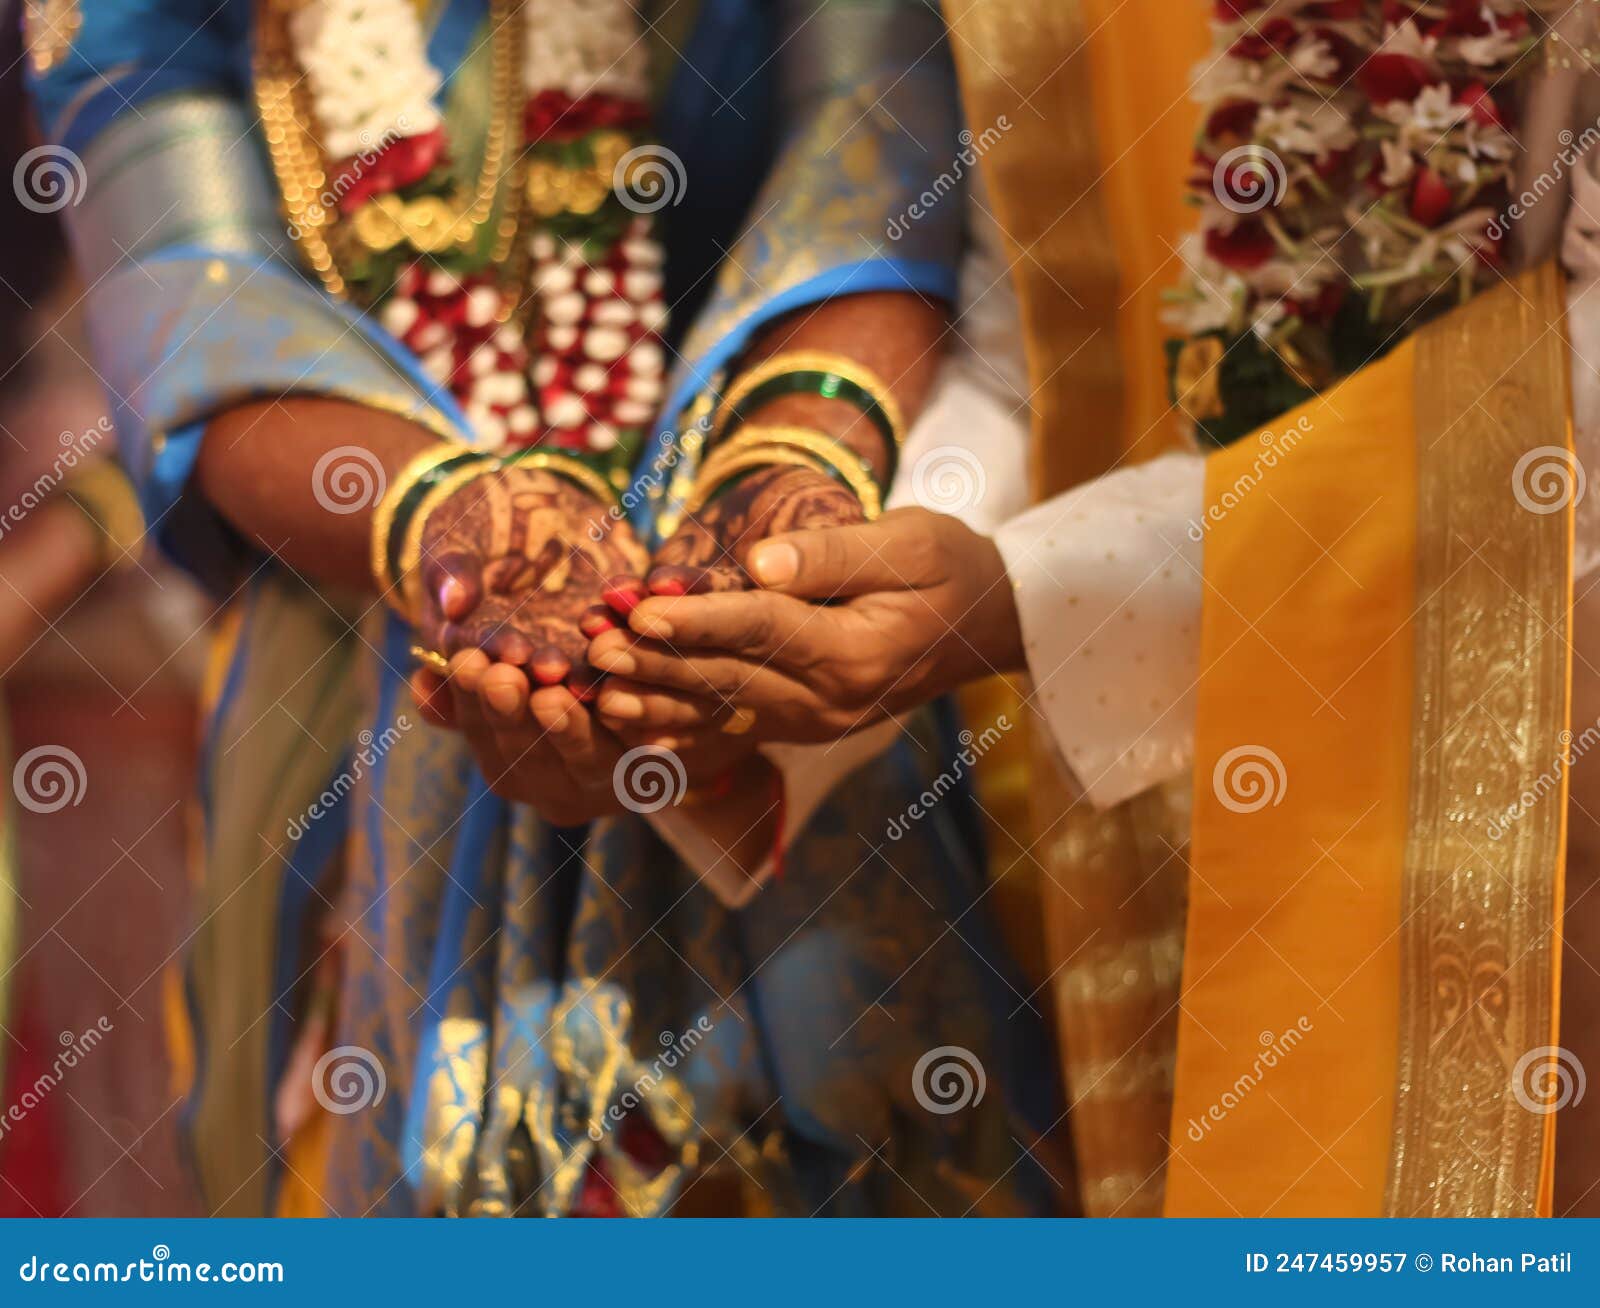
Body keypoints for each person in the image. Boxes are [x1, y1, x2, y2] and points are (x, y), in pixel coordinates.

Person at [28, 0, 1064, 1216]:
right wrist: (448, 522)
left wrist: (786, 466)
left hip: (815, 626)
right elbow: (177, 292)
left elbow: (876, 136)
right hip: (357, 662)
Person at [593, 0, 1600, 1218]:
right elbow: (1030, 349)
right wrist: (781, 637)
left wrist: (1026, 593)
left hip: (1530, 780)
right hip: (1126, 828)